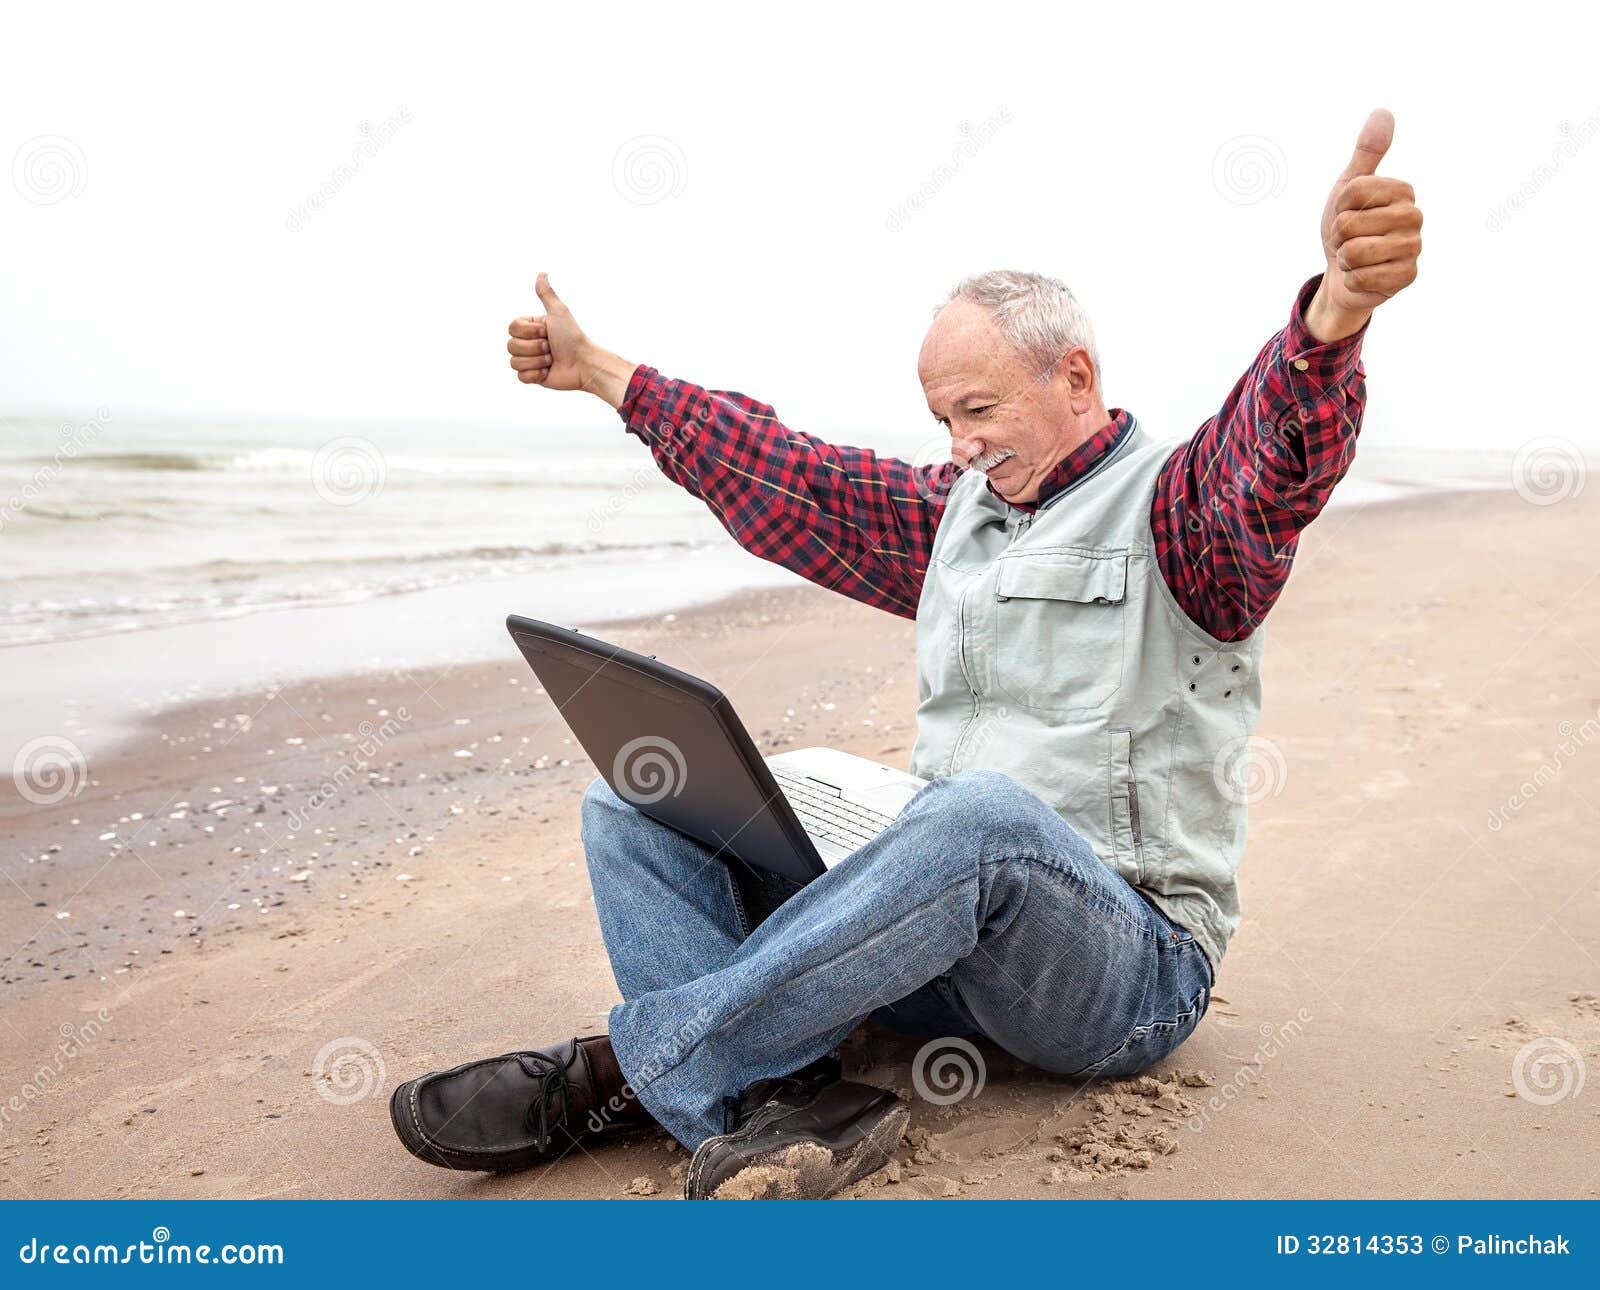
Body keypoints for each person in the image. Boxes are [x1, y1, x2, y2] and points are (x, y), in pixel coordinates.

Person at [390, 108, 1422, 1198]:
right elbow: (788, 474)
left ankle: (627, 1074)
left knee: (976, 815)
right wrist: (604, 374)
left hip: (1120, 975)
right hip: (939, 956)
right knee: (640, 792)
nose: (959, 444)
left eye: (978, 409)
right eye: (942, 419)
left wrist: (1334, 316)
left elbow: (1269, 460)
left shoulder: (1180, 512)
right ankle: (777, 1101)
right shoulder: (959, 514)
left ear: (1075, 378)